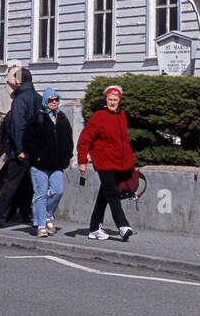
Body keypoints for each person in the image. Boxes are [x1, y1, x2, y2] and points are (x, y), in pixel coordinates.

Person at [77, 84, 136, 242]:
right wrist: (82, 160)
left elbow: (122, 141)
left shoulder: (122, 116)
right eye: (110, 99)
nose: (112, 102)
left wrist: (129, 160)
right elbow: (84, 139)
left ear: (119, 100)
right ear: (106, 100)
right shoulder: (99, 116)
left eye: (115, 99)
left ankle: (94, 228)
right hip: (104, 162)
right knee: (112, 194)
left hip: (118, 163)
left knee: (104, 196)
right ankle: (123, 226)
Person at [0, 66, 41, 224]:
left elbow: (18, 126)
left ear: (18, 81)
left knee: (10, 183)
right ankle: (26, 213)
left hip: (20, 150)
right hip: (35, 149)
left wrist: (19, 149)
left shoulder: (19, 100)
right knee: (28, 183)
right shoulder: (38, 98)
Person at [0, 65, 31, 223]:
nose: (16, 77)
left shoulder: (25, 95)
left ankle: (24, 210)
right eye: (13, 74)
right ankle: (6, 210)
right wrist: (2, 122)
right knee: (4, 177)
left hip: (22, 142)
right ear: (7, 77)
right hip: (3, 142)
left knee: (24, 179)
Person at [22, 88, 72, 237]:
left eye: (56, 99)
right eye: (51, 100)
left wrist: (68, 155)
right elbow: (27, 140)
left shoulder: (62, 117)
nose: (54, 102)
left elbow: (68, 138)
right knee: (40, 194)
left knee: (58, 191)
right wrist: (36, 155)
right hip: (40, 165)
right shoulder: (37, 118)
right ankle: (41, 225)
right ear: (45, 101)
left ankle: (47, 214)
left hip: (57, 163)